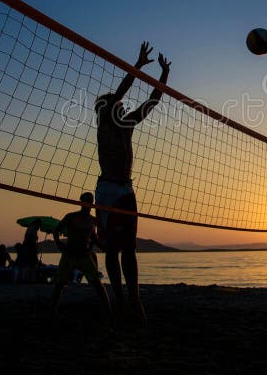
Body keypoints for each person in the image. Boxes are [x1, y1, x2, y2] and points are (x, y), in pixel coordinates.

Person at [94, 41, 170, 323]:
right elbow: (121, 92)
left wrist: (164, 76)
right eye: (116, 105)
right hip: (108, 189)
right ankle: (119, 298)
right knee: (112, 249)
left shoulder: (126, 125)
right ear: (105, 109)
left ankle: (135, 299)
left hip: (126, 188)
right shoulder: (105, 123)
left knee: (129, 248)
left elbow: (152, 102)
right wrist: (137, 65)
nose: (122, 107)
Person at [51, 192, 111, 316]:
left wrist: (104, 247)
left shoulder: (93, 221)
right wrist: (59, 244)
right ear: (81, 202)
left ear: (92, 203)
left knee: (97, 284)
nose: (87, 203)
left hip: (85, 256)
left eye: (89, 201)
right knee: (59, 285)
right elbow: (56, 230)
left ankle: (108, 310)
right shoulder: (71, 217)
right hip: (69, 254)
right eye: (85, 200)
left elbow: (93, 238)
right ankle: (52, 311)